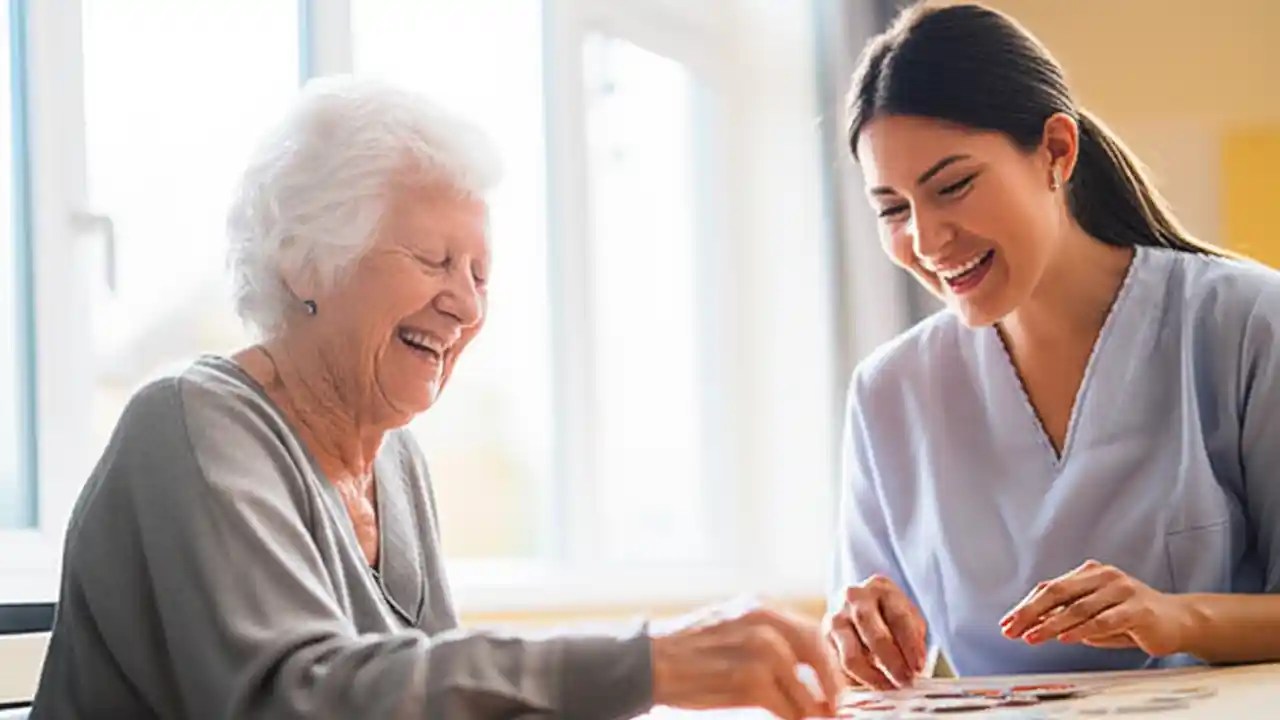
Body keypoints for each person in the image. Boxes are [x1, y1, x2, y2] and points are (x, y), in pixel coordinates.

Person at [31, 76, 841, 720]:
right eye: (432, 259)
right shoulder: (192, 424)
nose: (466, 304)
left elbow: (423, 697)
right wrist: (643, 662)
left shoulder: (396, 461)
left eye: (480, 274)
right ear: (307, 262)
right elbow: (297, 698)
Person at [824, 2, 1280, 690]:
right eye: (892, 208)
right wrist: (856, 634)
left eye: (953, 186)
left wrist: (1180, 618)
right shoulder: (889, 391)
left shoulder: (1245, 323)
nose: (926, 240)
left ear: (1056, 152)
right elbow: (870, 657)